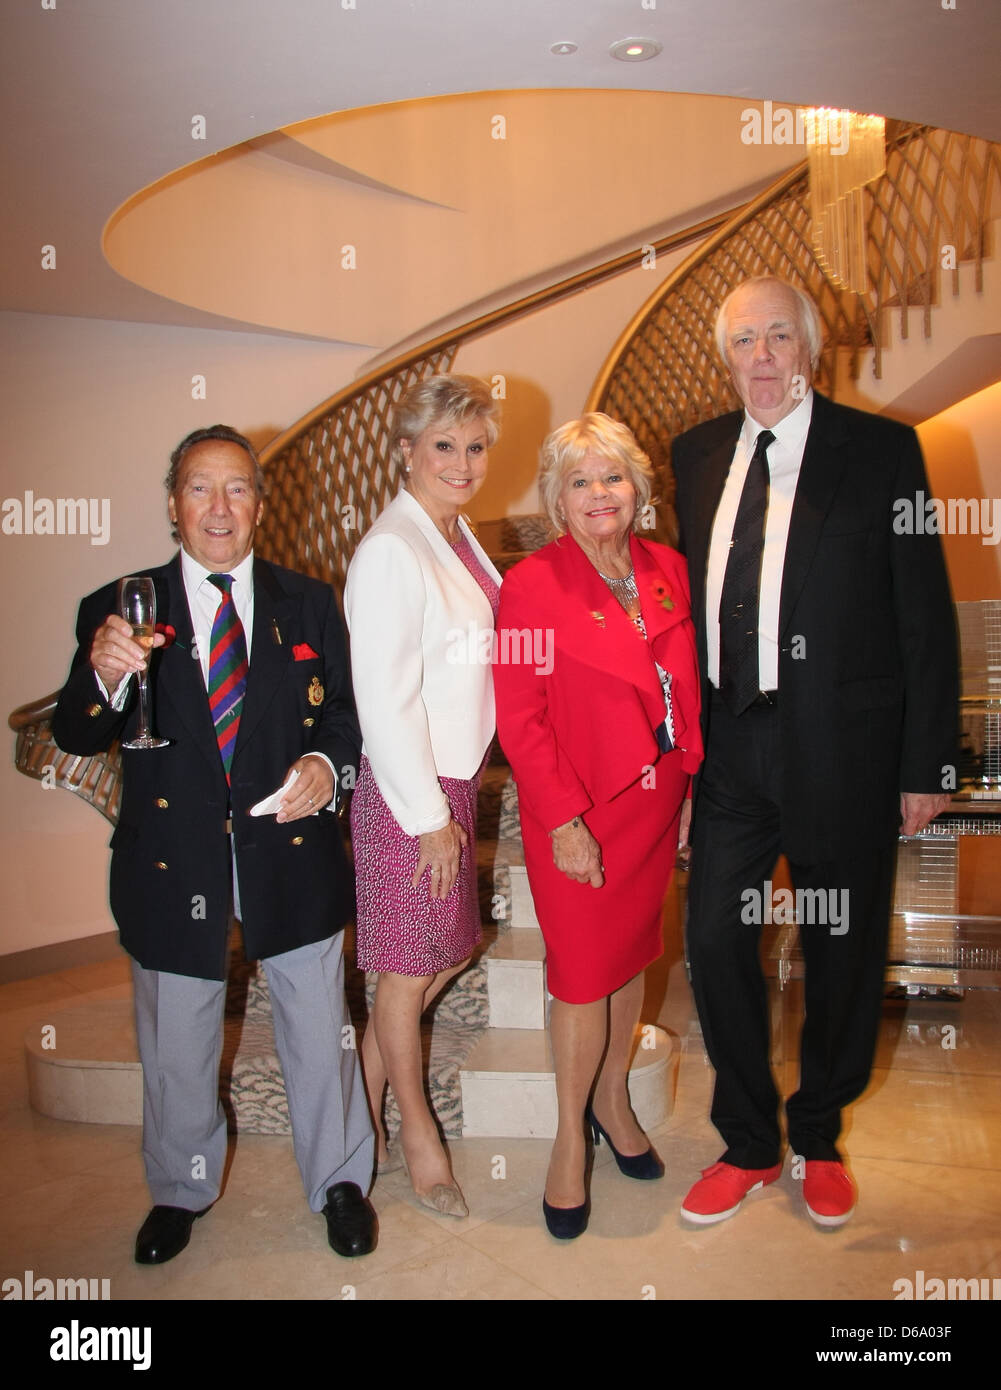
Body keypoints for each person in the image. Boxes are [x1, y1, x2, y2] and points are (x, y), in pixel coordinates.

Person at [52, 424, 376, 1264]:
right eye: (200, 487)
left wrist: (323, 761)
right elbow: (79, 733)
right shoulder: (120, 605)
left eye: (237, 488)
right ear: (172, 503)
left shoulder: (309, 600)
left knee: (317, 1026)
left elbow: (346, 714)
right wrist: (105, 673)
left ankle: (339, 1180)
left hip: (290, 848)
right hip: (172, 858)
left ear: (260, 506)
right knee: (177, 1036)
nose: (219, 506)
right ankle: (179, 1187)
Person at [672, 276, 957, 1228]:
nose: (760, 355)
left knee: (841, 946)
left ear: (810, 347)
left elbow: (923, 615)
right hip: (730, 745)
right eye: (743, 338)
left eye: (778, 336)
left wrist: (927, 764)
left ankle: (821, 1133)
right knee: (713, 939)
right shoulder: (696, 454)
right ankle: (749, 1139)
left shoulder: (880, 452)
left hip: (844, 743)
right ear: (725, 355)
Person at [493, 413, 703, 1239]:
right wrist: (562, 819)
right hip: (580, 810)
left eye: (611, 477)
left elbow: (685, 691)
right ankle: (565, 1144)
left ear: (637, 489)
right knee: (580, 974)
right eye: (578, 482)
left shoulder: (667, 569)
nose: (598, 495)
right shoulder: (532, 585)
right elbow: (520, 718)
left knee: (631, 960)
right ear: (556, 499)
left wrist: (686, 783)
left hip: (655, 805)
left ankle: (613, 1101)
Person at [343, 375, 502, 1219]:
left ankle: (352, 1105)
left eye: (475, 446)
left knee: (442, 955)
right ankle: (415, 1135)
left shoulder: (455, 533)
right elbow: (384, 697)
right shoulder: (390, 549)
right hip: (412, 791)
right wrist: (431, 820)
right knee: (406, 976)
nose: (462, 462)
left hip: (452, 779)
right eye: (444, 445)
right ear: (406, 452)